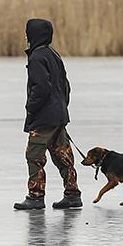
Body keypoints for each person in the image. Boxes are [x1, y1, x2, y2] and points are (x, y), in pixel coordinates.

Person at [13, 18, 82, 210]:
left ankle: (35, 197)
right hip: (59, 115)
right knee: (63, 156)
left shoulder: (36, 57)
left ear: (34, 34)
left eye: (28, 32)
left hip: (44, 118)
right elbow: (66, 86)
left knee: (34, 156)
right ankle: (72, 195)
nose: (26, 36)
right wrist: (61, 108)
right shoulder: (53, 54)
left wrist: (31, 107)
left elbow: (41, 88)